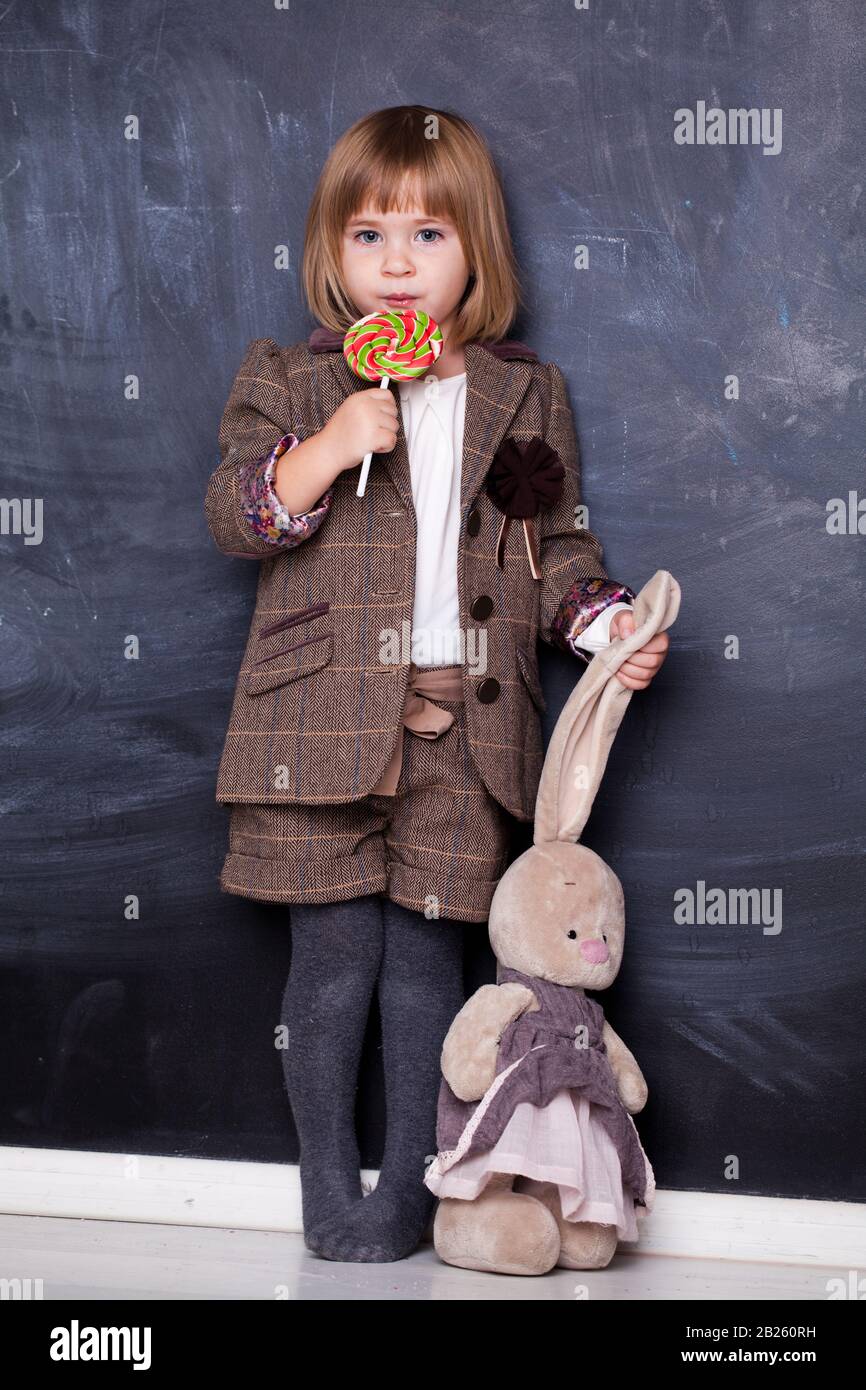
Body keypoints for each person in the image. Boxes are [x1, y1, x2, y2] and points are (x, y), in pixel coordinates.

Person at [204, 105, 669, 1264]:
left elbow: (553, 541)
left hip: (470, 728)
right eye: (368, 238)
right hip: (312, 722)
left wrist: (604, 626)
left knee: (424, 973)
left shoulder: (526, 394)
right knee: (330, 968)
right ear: (333, 254)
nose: (397, 263)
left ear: (475, 255)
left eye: (426, 236)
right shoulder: (288, 378)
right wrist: (327, 445)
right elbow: (234, 516)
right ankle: (327, 1192)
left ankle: (416, 1191)